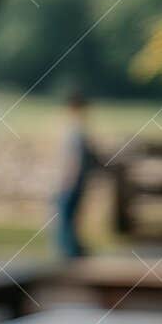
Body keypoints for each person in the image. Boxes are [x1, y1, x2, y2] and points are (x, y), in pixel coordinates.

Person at [52, 89, 100, 258]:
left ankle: (69, 249)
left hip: (72, 179)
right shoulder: (80, 129)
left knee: (65, 214)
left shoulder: (74, 129)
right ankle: (72, 248)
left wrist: (68, 179)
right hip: (79, 178)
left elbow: (74, 158)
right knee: (71, 214)